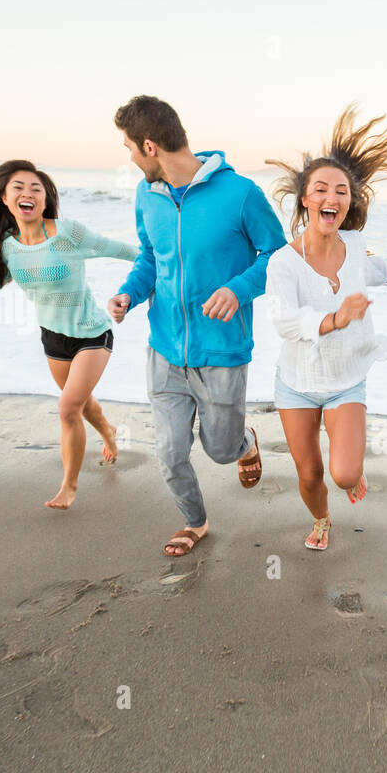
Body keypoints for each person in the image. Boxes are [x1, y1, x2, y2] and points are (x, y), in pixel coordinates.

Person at [106, 95, 286, 558]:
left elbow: (278, 257)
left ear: (150, 146)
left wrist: (239, 289)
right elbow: (150, 258)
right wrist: (131, 291)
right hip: (164, 348)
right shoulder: (148, 194)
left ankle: (245, 443)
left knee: (220, 450)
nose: (128, 158)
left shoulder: (240, 193)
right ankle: (194, 522)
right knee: (168, 453)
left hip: (221, 352)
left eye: (129, 148)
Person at [264, 105, 387, 550]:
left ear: (350, 201)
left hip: (346, 380)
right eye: (322, 189)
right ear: (306, 199)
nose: (333, 197)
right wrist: (335, 319)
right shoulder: (284, 262)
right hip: (297, 384)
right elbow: (284, 320)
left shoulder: (356, 242)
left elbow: (374, 269)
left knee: (343, 473)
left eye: (342, 191)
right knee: (310, 475)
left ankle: (352, 467)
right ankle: (321, 519)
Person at [0, 160, 136, 510]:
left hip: (92, 333)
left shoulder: (67, 233)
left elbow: (119, 249)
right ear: (5, 199)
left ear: (44, 201)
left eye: (36, 189)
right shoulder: (7, 247)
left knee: (67, 407)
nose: (28, 193)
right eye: (18, 187)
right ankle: (108, 432)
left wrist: (161, 265)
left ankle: (69, 487)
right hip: (53, 339)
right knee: (82, 405)